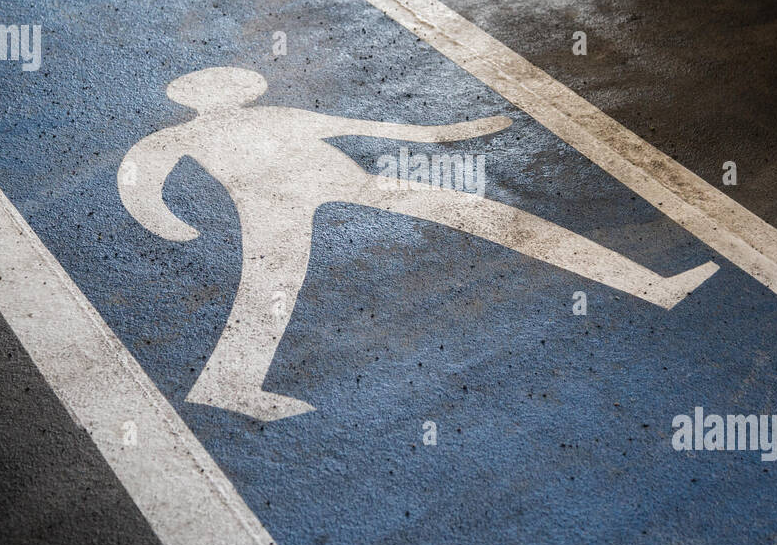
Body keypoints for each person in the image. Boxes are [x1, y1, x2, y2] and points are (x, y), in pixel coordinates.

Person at [119, 67, 717, 420]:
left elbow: (386, 131)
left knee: (482, 214)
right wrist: (167, 222)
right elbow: (143, 178)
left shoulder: (277, 115)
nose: (230, 92)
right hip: (274, 205)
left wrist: (458, 131)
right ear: (203, 98)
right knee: (270, 288)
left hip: (354, 182)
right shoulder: (188, 135)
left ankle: (652, 284)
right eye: (218, 87)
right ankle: (228, 384)